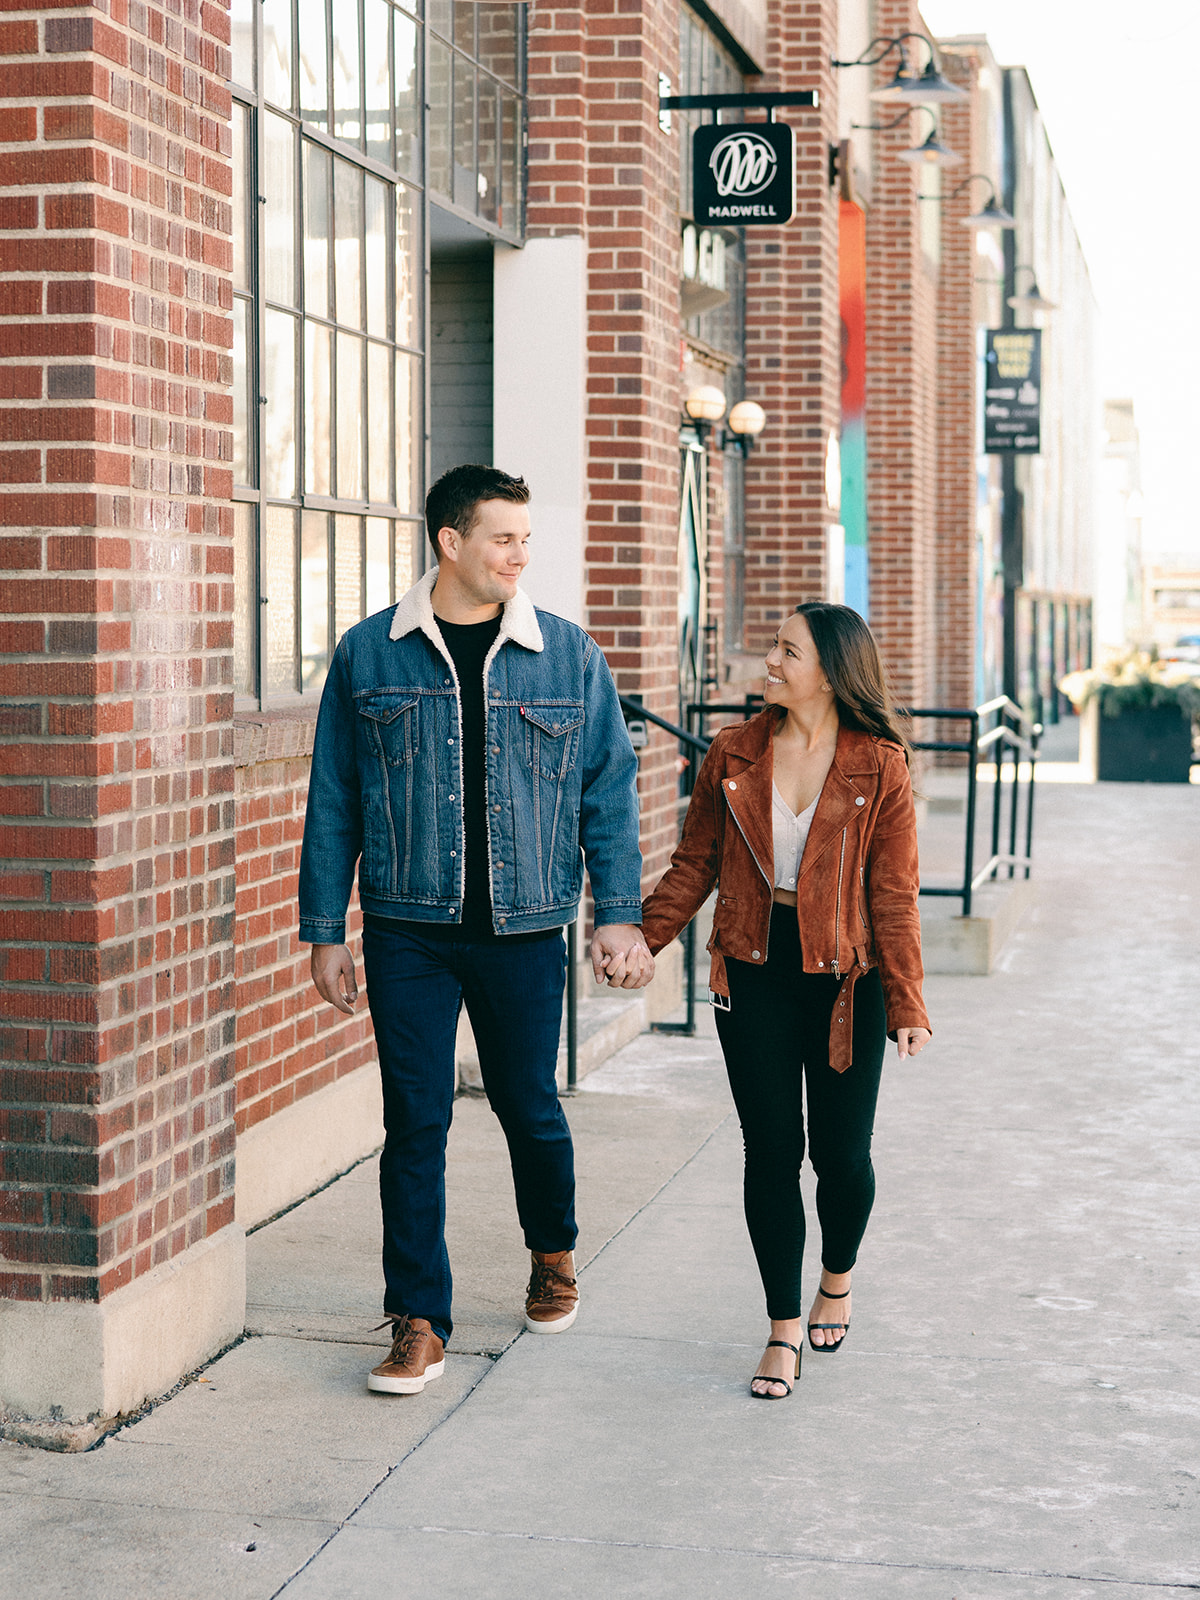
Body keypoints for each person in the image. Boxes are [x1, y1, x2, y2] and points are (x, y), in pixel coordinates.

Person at [298, 464, 653, 1396]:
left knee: (527, 1106)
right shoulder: (370, 655)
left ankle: (553, 1253)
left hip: (527, 925)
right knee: (413, 1121)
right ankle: (418, 1318)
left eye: (526, 540)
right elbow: (335, 798)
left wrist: (617, 914)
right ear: (450, 543)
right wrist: (325, 928)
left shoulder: (568, 657)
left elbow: (607, 794)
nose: (519, 556)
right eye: (503, 538)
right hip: (409, 926)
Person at [641, 602, 931, 1399]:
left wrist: (906, 1002)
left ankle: (835, 1278)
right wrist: (646, 938)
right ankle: (781, 1328)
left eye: (786, 650)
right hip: (755, 968)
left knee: (841, 1158)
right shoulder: (736, 751)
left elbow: (895, 896)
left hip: (848, 982)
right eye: (772, 645)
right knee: (769, 1151)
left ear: (832, 674)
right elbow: (695, 861)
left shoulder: (880, 766)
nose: (768, 660)